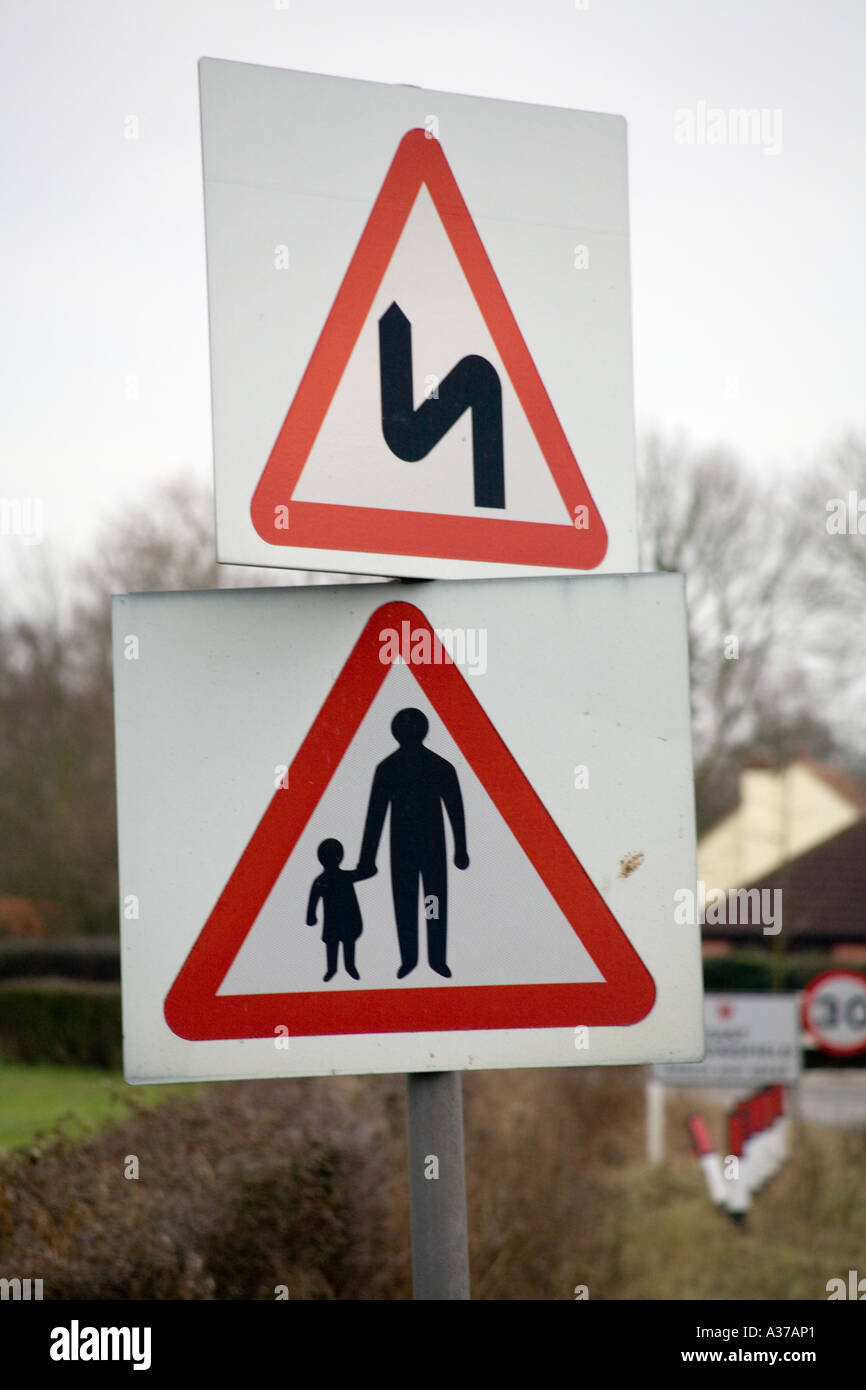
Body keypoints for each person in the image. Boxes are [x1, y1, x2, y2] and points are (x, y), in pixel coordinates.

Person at [356, 708, 468, 979]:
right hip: (403, 848)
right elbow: (376, 814)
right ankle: (409, 960)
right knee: (408, 902)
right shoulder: (388, 769)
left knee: (432, 901)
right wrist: (367, 859)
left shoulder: (439, 767)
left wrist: (461, 848)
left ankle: (436, 959)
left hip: (432, 849)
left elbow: (455, 809)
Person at [305, 838, 370, 982]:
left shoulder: (344, 877)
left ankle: (350, 967)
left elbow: (365, 873)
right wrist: (311, 916)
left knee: (348, 943)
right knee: (333, 944)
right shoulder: (322, 881)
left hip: (347, 919)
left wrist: (367, 864)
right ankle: (332, 969)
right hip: (333, 921)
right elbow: (313, 900)